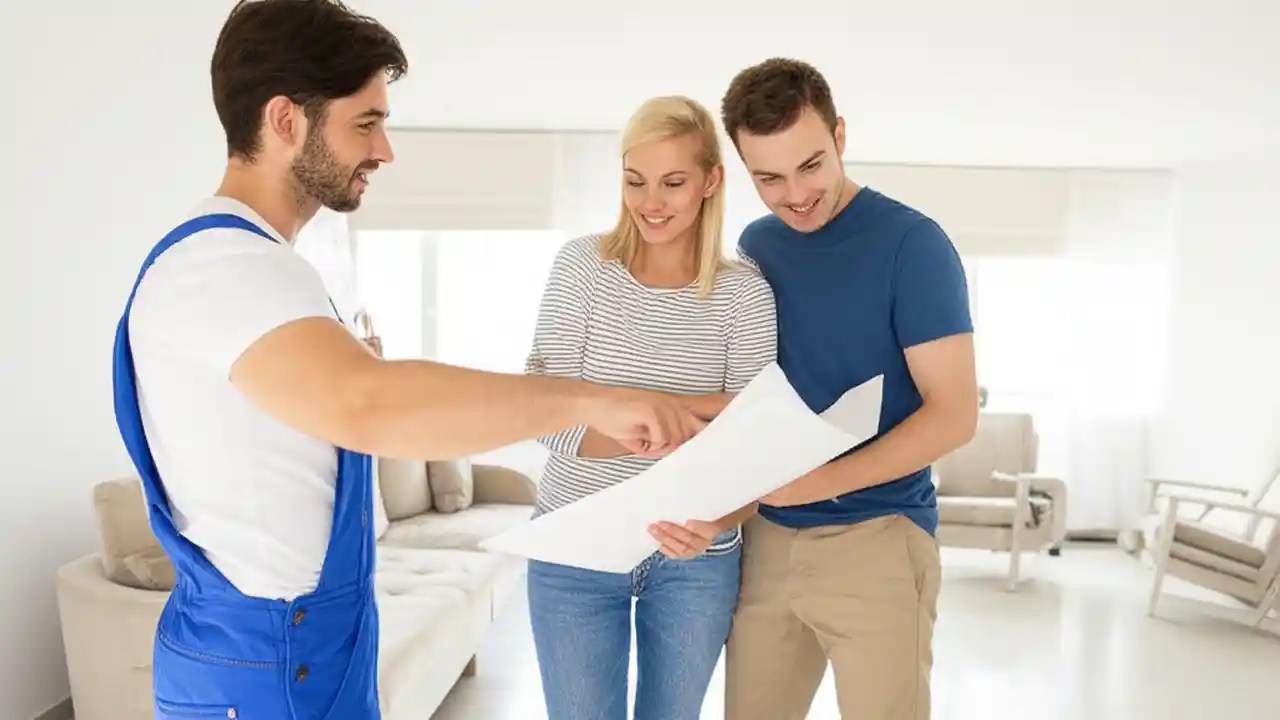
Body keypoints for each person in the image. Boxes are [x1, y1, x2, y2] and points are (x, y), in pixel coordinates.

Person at [111, 3, 703, 718]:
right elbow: (374, 405)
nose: (385, 150)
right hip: (269, 660)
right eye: (365, 122)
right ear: (285, 121)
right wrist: (589, 401)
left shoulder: (258, 267)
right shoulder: (227, 266)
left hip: (309, 644)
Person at [715, 58, 979, 719]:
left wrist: (811, 483)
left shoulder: (912, 245)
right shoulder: (757, 244)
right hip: (768, 540)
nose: (795, 194)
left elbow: (953, 417)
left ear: (840, 134)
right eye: (768, 178)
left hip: (880, 539)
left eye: (811, 165)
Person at [523, 95, 778, 720]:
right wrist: (694, 416)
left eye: (672, 182)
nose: (650, 202)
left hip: (693, 560)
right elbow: (541, 410)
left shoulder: (744, 293)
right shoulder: (582, 268)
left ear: (711, 181)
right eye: (635, 180)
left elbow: (757, 441)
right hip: (574, 544)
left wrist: (716, 520)